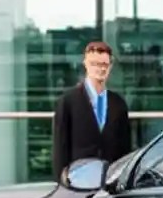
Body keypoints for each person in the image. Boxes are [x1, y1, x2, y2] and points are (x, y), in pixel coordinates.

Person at [52, 41, 133, 181]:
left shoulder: (118, 103)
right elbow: (60, 144)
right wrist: (61, 177)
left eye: (104, 65)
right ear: (86, 64)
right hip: (77, 177)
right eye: (95, 64)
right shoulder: (68, 101)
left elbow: (125, 145)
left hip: (110, 178)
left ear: (110, 66)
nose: (100, 69)